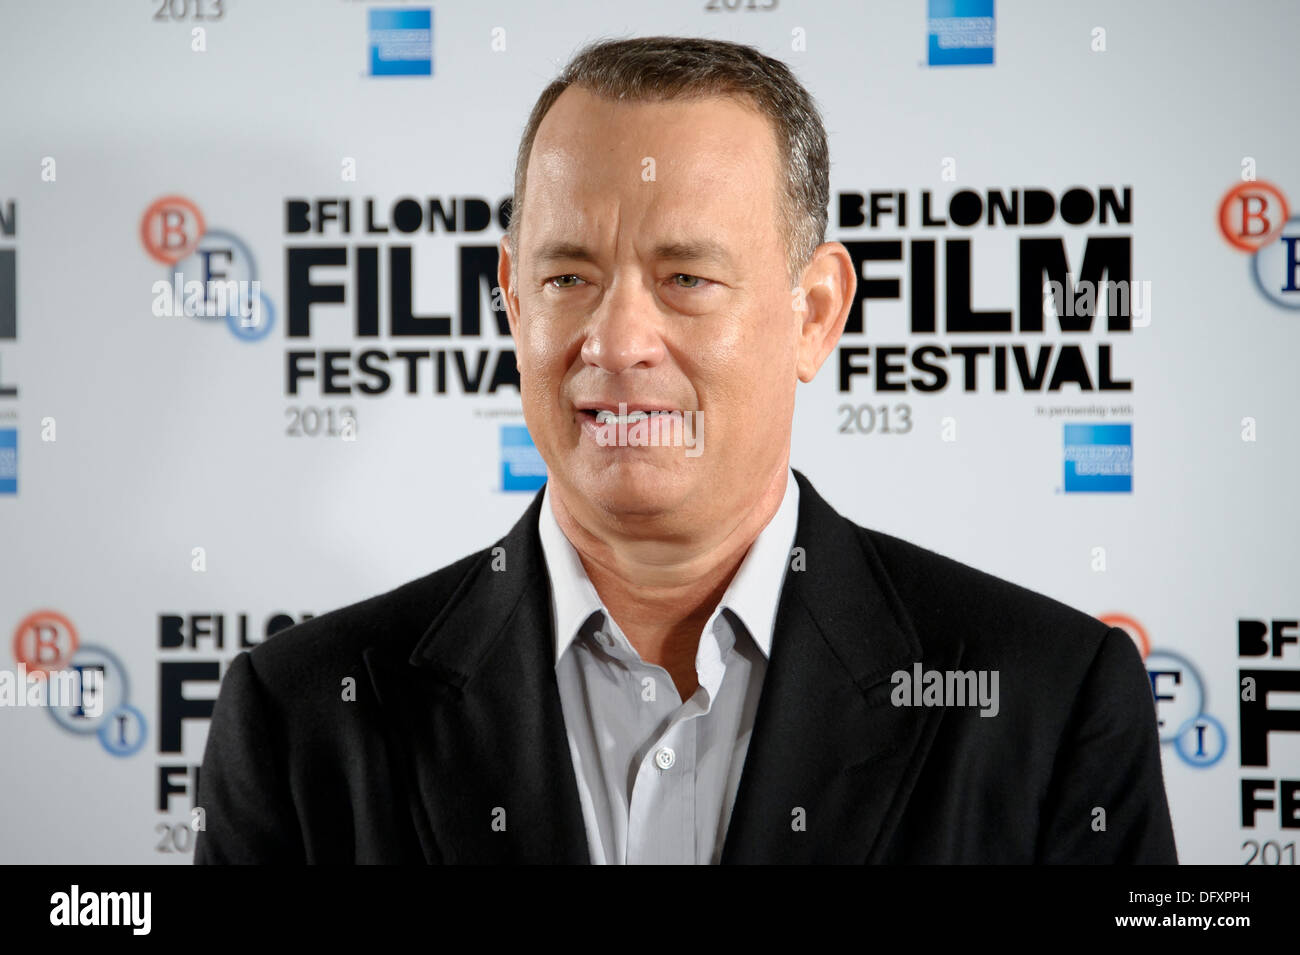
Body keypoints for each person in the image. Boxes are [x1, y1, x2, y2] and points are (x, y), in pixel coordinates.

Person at [195, 35, 1177, 864]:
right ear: (510, 297)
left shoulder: (1049, 699)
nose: (617, 341)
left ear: (815, 312)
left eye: (686, 278)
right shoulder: (301, 716)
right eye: (569, 275)